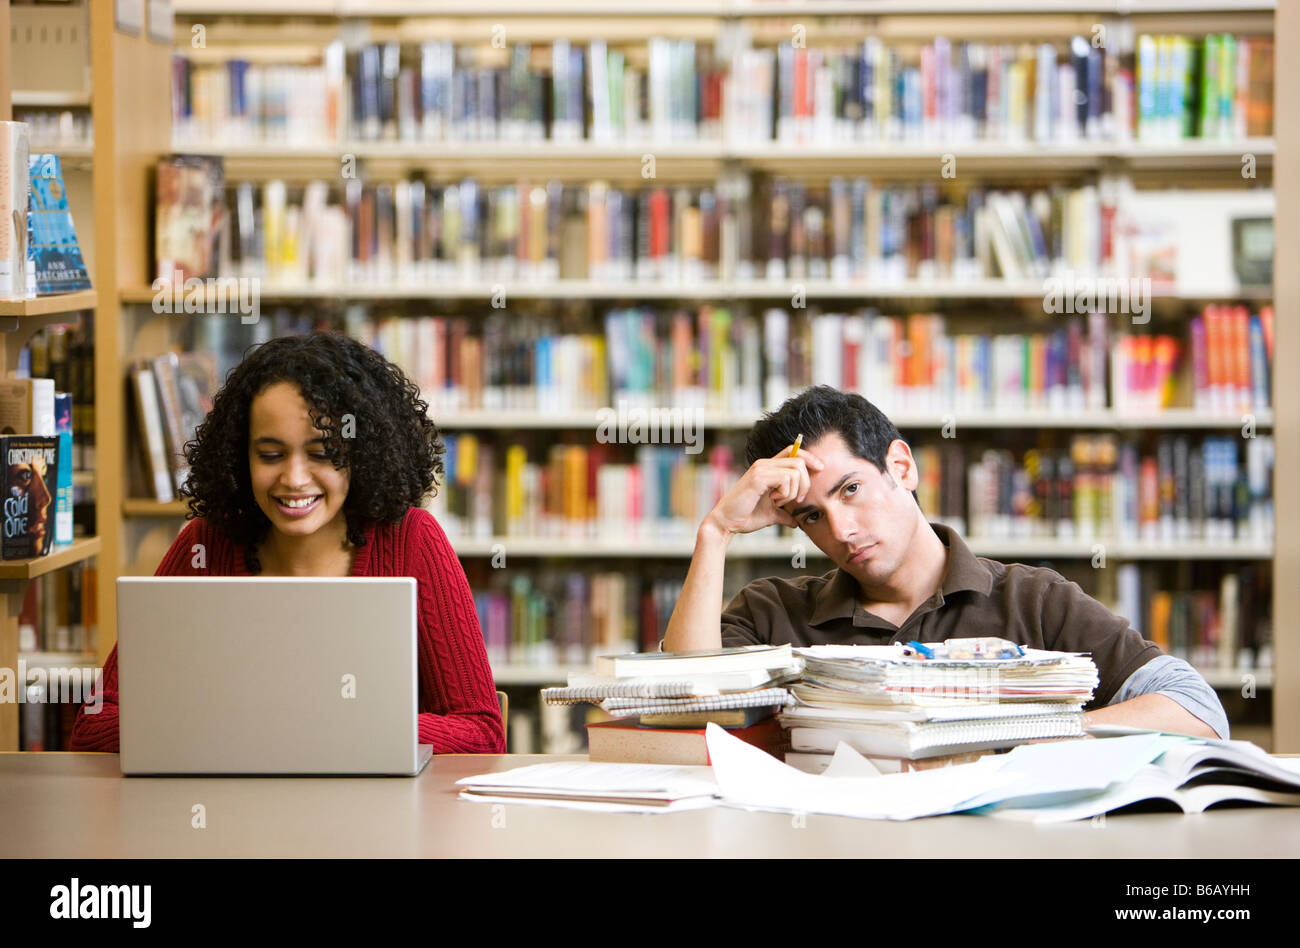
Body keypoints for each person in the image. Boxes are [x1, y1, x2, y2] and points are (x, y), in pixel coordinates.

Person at [664, 385, 1229, 739]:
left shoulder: (1033, 600)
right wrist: (716, 532)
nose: (841, 530)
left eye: (851, 489)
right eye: (811, 516)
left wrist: (1033, 732)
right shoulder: (773, 611)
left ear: (901, 468)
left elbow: (1196, 710)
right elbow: (684, 709)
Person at [71, 331, 505, 753]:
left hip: (376, 818)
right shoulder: (204, 547)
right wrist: (244, 732)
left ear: (362, 453)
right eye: (271, 455)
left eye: (321, 453)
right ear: (240, 456)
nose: (294, 479)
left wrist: (324, 730)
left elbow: (482, 731)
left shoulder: (411, 541)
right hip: (232, 816)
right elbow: (94, 723)